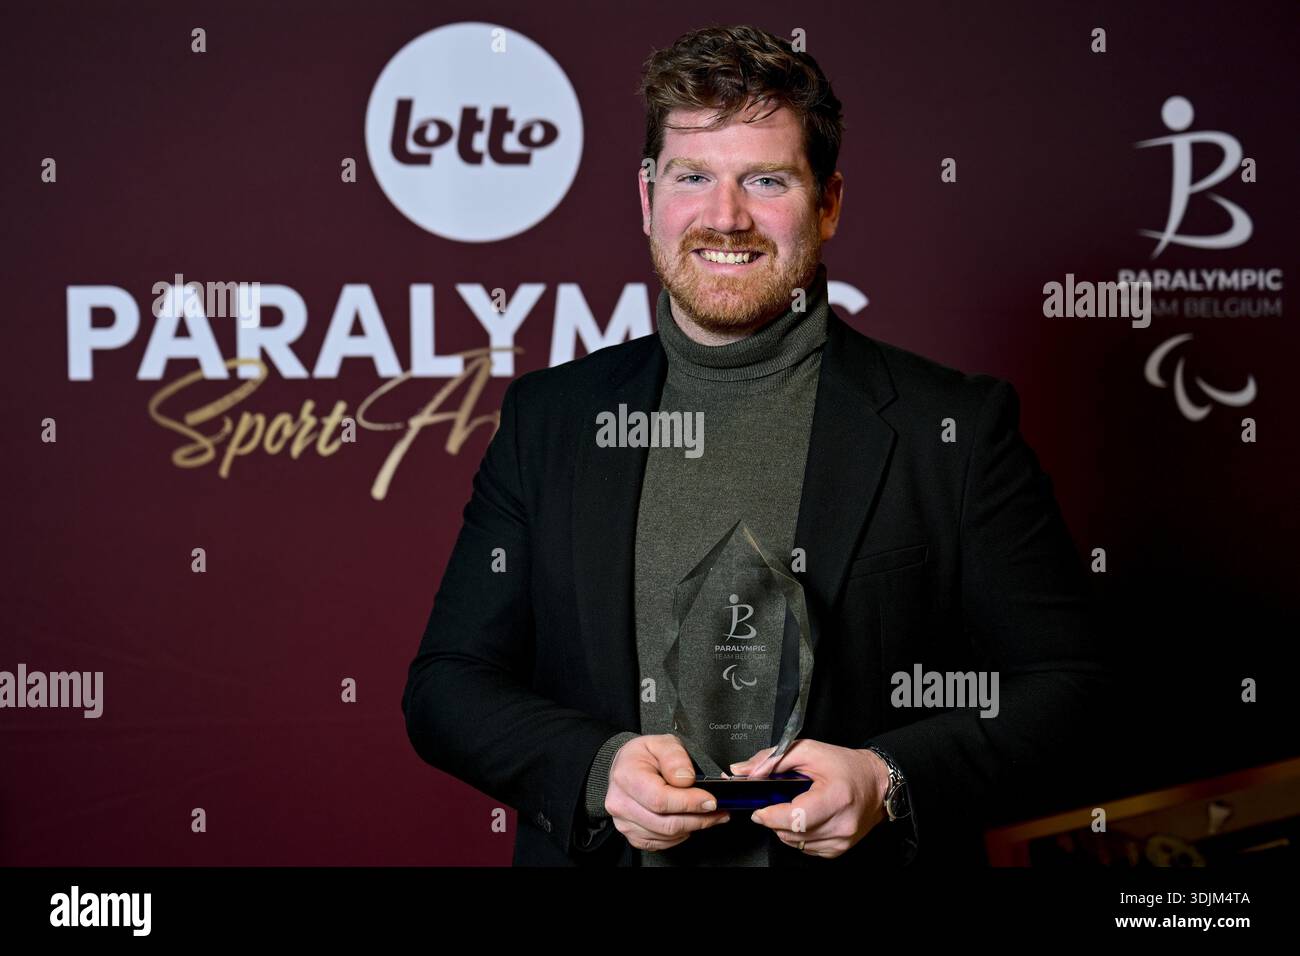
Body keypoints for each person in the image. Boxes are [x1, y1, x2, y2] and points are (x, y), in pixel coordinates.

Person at [401, 24, 1109, 867]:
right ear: (647, 196)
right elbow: (446, 685)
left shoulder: (949, 428)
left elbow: (1073, 689)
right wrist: (598, 771)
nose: (725, 216)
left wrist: (889, 779)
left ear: (829, 202)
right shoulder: (549, 418)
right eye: (692, 176)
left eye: (766, 180)